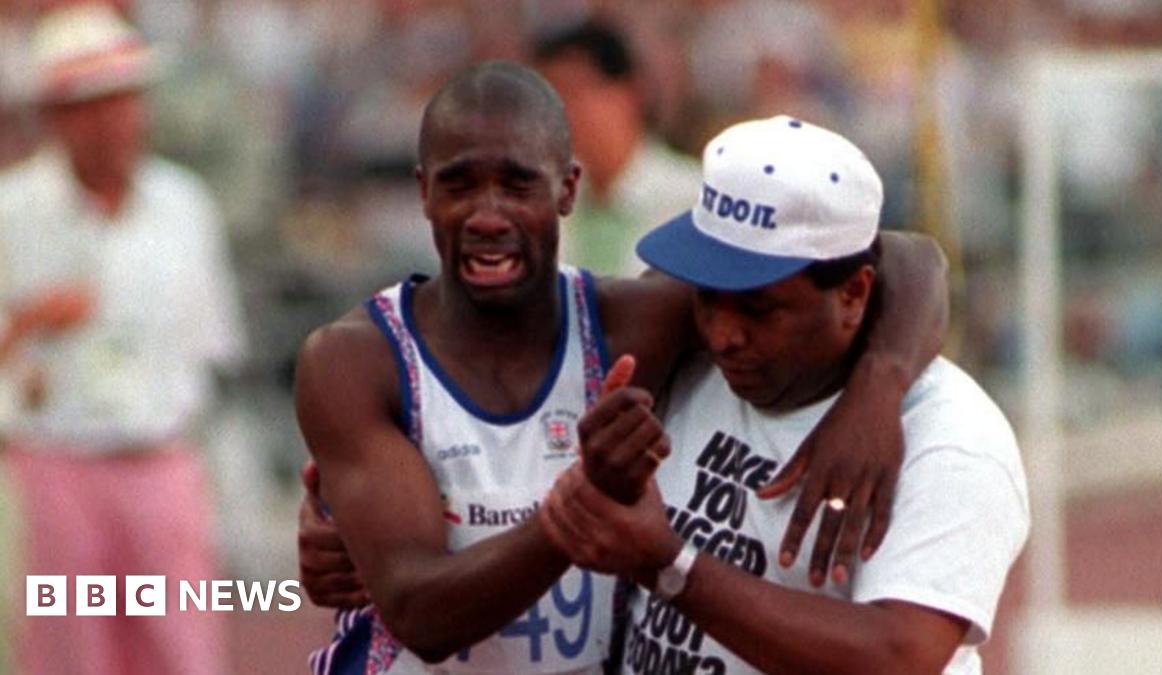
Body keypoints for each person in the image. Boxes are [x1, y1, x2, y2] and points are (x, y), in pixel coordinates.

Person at [295, 61, 947, 674]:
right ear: (422, 192)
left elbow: (908, 258)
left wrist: (876, 390)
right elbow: (421, 613)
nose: (488, 215)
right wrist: (586, 503)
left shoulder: (631, 323)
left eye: (518, 184)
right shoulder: (358, 359)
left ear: (569, 188)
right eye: (459, 183)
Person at [538, 117, 1029, 674]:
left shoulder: (950, 438)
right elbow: (916, 257)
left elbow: (899, 655)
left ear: (853, 293)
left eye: (759, 309)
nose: (723, 334)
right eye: (706, 297)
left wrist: (671, 565)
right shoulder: (689, 356)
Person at [0, 4, 244, 674]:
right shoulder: (12, 213)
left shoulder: (182, 205)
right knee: (68, 656)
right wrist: (27, 323)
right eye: (86, 104)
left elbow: (211, 344)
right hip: (54, 463)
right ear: (52, 116)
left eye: (121, 100)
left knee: (181, 651)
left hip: (162, 458)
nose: (110, 120)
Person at [533, 19, 701, 277]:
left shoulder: (692, 197)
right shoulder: (548, 203)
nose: (562, 110)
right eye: (550, 97)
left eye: (574, 90)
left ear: (630, 91)